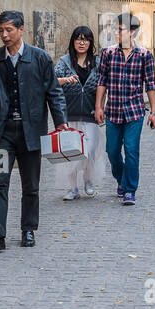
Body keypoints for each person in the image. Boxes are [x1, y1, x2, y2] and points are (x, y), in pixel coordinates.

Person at [0, 11, 70, 250]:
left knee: (30, 184)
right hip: (3, 136)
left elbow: (53, 91)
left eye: (9, 30)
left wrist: (60, 120)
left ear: (21, 30)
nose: (4, 35)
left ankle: (28, 229)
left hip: (31, 134)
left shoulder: (39, 58)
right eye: (1, 30)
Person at [95, 12, 155, 206]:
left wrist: (153, 112)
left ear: (131, 32)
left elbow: (150, 84)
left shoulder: (144, 55)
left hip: (134, 112)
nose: (116, 32)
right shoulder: (108, 54)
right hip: (113, 111)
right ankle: (121, 179)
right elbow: (102, 81)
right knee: (112, 151)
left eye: (120, 29)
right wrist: (98, 106)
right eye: (114, 28)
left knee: (131, 151)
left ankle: (130, 189)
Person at [55, 25, 102, 200]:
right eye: (78, 39)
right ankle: (72, 188)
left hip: (90, 114)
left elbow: (103, 86)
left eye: (86, 39)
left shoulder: (97, 63)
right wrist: (65, 79)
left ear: (91, 42)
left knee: (88, 150)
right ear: (73, 41)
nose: (82, 43)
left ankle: (88, 181)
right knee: (70, 151)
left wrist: (101, 107)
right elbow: (51, 81)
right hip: (69, 114)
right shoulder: (64, 61)